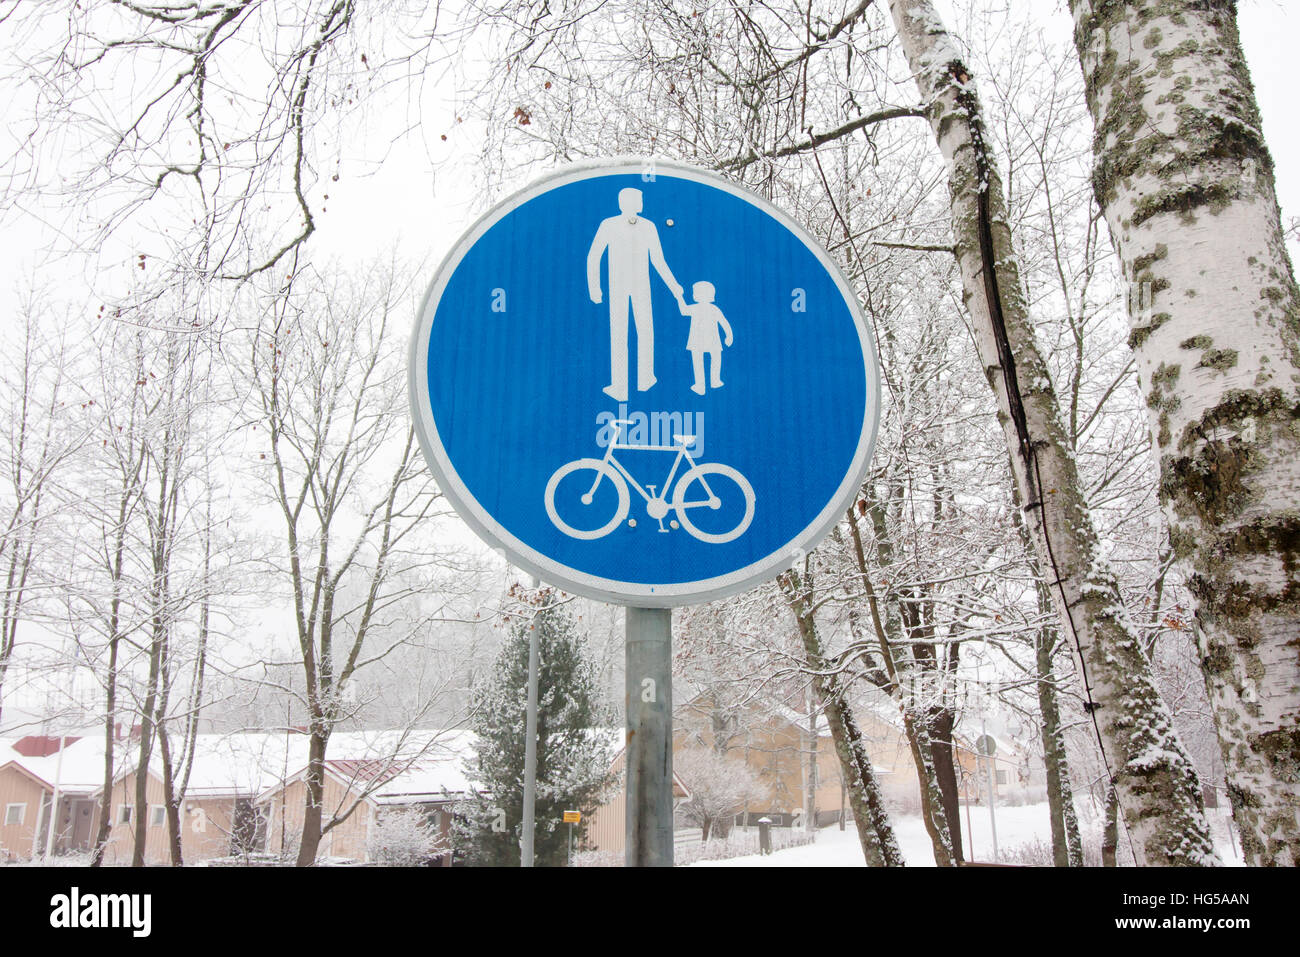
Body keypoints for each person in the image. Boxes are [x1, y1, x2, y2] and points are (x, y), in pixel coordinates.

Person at [587, 188, 683, 402]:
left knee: (646, 331)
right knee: (619, 334)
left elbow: (658, 260)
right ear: (625, 203)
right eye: (638, 199)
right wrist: (595, 288)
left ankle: (646, 378)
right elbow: (594, 256)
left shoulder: (648, 226)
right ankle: (619, 387)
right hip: (617, 287)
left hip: (641, 286)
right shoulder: (609, 225)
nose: (641, 202)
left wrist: (674, 285)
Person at [678, 280, 733, 396]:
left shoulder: (699, 308)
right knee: (715, 359)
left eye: (695, 293)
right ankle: (713, 381)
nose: (693, 295)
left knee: (699, 362)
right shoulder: (713, 309)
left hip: (699, 341)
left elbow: (683, 310)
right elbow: (724, 323)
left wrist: (679, 297)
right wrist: (729, 335)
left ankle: (702, 385)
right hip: (711, 341)